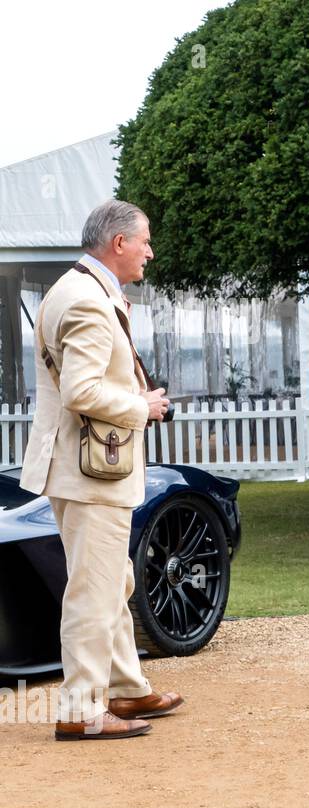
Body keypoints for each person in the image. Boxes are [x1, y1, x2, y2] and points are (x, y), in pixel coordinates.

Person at [19, 199, 184, 740]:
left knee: (114, 580)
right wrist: (144, 407)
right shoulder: (89, 301)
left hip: (75, 466)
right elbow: (81, 391)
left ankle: (127, 690)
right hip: (92, 471)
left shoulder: (71, 290)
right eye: (145, 241)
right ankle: (81, 710)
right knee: (94, 589)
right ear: (118, 244)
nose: (149, 252)